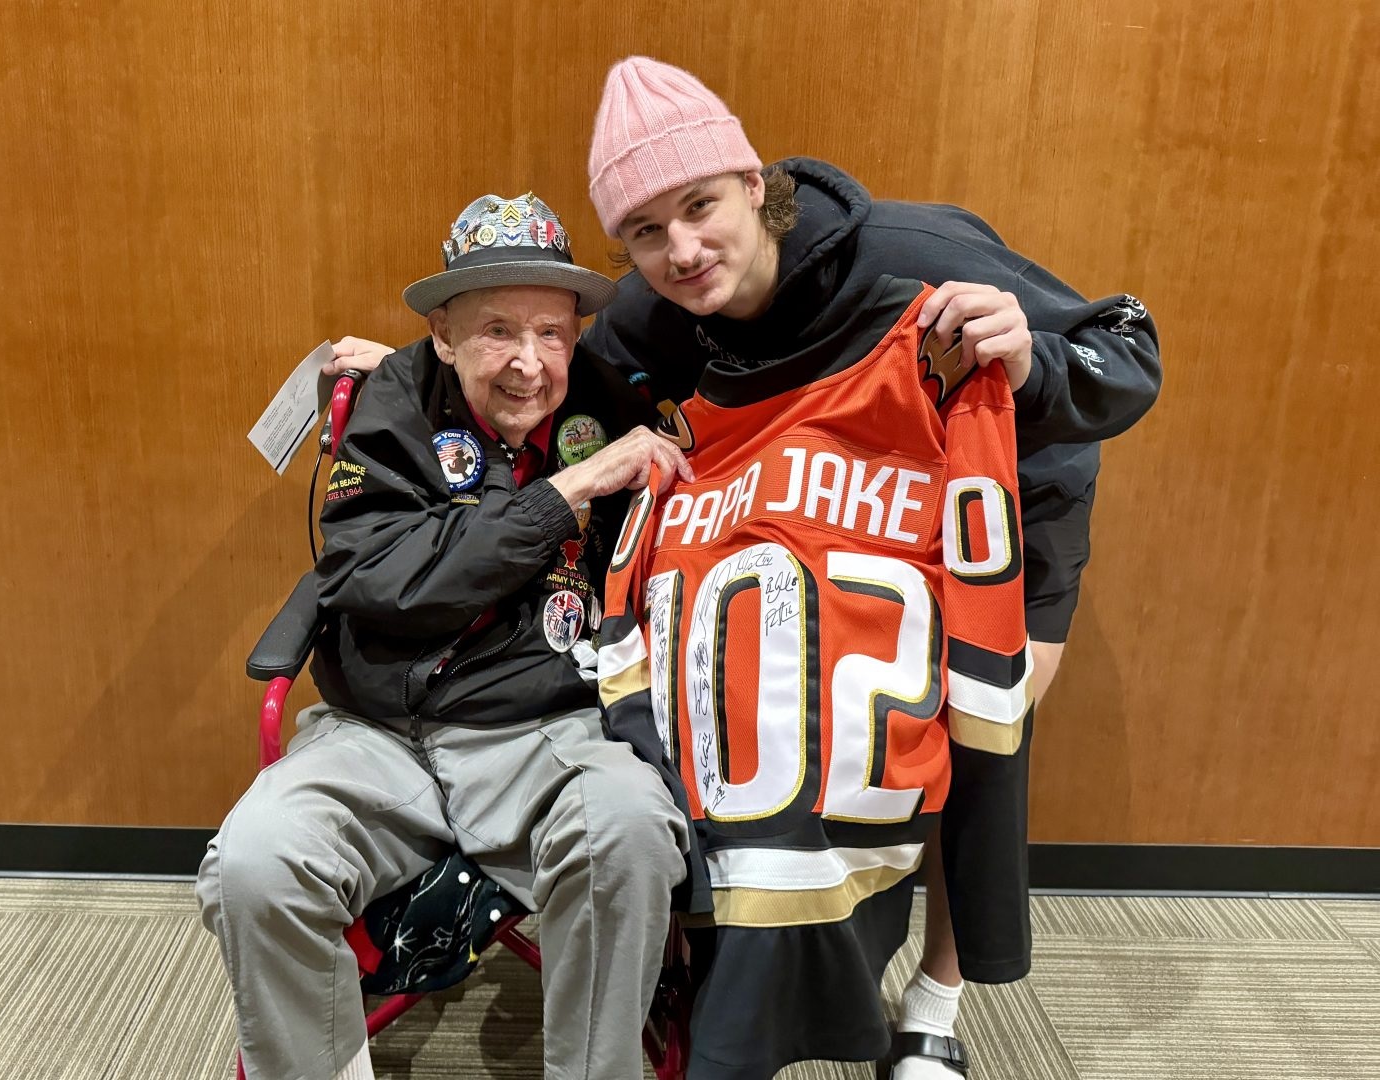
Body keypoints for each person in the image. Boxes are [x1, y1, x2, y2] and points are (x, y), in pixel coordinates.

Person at [327, 56, 1161, 1079]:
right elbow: (541, 373)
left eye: (699, 206)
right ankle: (723, 963)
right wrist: (420, 373)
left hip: (1004, 493)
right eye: (643, 230)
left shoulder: (913, 249)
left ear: (755, 187)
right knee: (741, 696)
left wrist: (1030, 360)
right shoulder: (651, 311)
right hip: (821, 519)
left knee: (971, 731)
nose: (679, 250)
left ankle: (934, 1002)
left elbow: (1128, 357)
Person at [196, 191, 694, 1080]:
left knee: (629, 828)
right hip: (383, 737)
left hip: (551, 736)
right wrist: (566, 494)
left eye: (551, 332)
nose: (528, 365)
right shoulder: (390, 407)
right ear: (441, 333)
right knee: (258, 860)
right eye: (496, 331)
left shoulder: (615, 408)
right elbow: (385, 582)